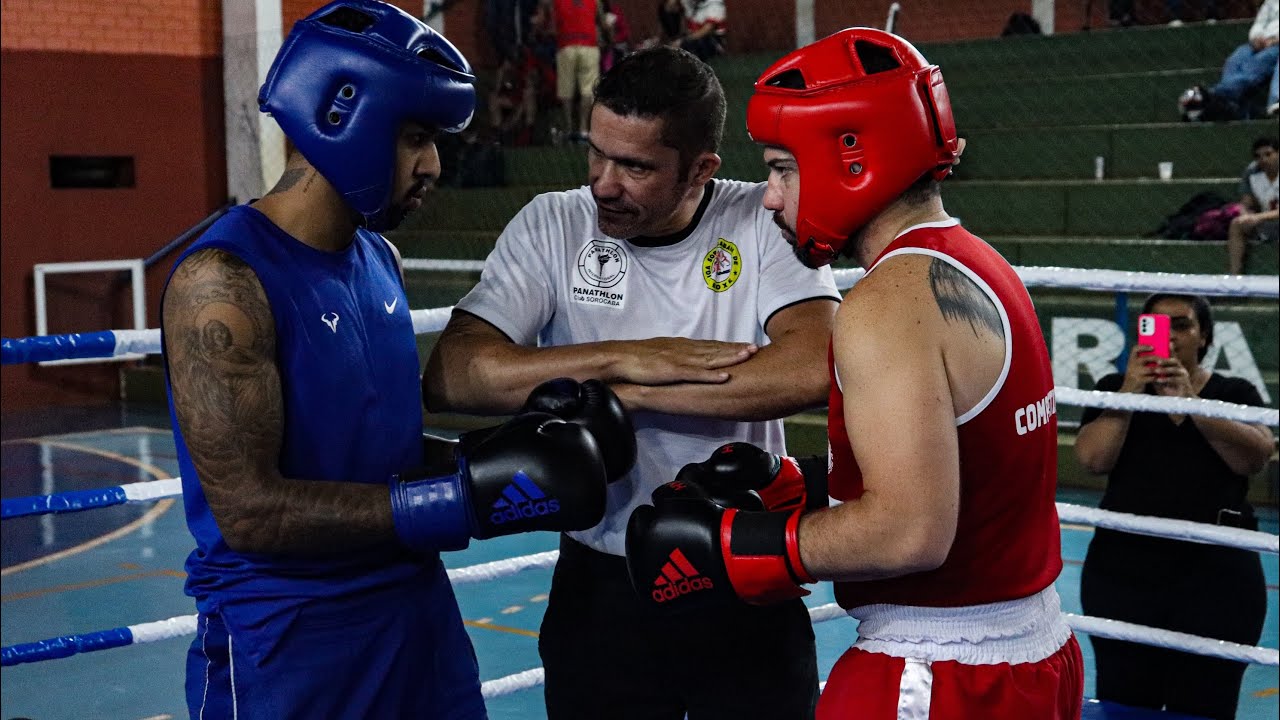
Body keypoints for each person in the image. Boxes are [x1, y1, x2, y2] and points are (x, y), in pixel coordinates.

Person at [160, 3, 625, 718]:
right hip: (287, 643)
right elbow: (251, 512)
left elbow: (375, 444)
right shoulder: (222, 283)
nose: (433, 164)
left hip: (416, 619)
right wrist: (464, 498)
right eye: (414, 138)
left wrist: (511, 454)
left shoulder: (380, 257)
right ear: (341, 117)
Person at [624, 28, 1086, 718]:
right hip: (1029, 649)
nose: (771, 198)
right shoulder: (979, 267)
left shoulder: (885, 302)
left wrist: (739, 546)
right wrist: (809, 484)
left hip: (936, 668)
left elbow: (909, 532)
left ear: (852, 158)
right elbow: (966, 460)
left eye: (783, 168)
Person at [425, 45, 840, 719]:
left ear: (701, 168)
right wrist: (626, 357)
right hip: (601, 583)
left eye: (636, 166)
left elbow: (817, 362)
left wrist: (632, 393)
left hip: (741, 570)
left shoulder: (759, 221)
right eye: (597, 153)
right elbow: (454, 374)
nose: (604, 183)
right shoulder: (552, 223)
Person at [1075, 293, 1273, 720]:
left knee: (1207, 702)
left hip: (1217, 576)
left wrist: (1189, 403)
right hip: (1124, 572)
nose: (1171, 335)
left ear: (1204, 336)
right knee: (1124, 700)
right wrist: (1131, 392)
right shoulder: (1114, 390)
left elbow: (1254, 457)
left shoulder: (1232, 391)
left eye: (1182, 325)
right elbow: (1092, 459)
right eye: (1157, 324)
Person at [1179, 0, 1278, 120]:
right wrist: (1256, 37)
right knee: (1235, 59)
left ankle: (1212, 96)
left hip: (1276, 43)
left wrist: (1275, 39)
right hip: (1260, 43)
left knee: (1260, 61)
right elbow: (1259, 23)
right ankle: (1225, 103)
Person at [550, 0, 601, 142]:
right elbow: (601, 20)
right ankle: (583, 130)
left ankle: (569, 129)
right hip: (589, 44)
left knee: (566, 90)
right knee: (587, 89)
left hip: (566, 45)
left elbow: (554, 27)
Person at [1227, 136, 1279, 274]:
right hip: (1266, 222)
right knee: (1236, 224)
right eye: (1258, 156)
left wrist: (1259, 217)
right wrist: (1246, 214)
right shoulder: (1252, 172)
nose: (1263, 160)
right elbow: (1246, 201)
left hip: (1269, 218)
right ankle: (1234, 277)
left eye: (1268, 154)